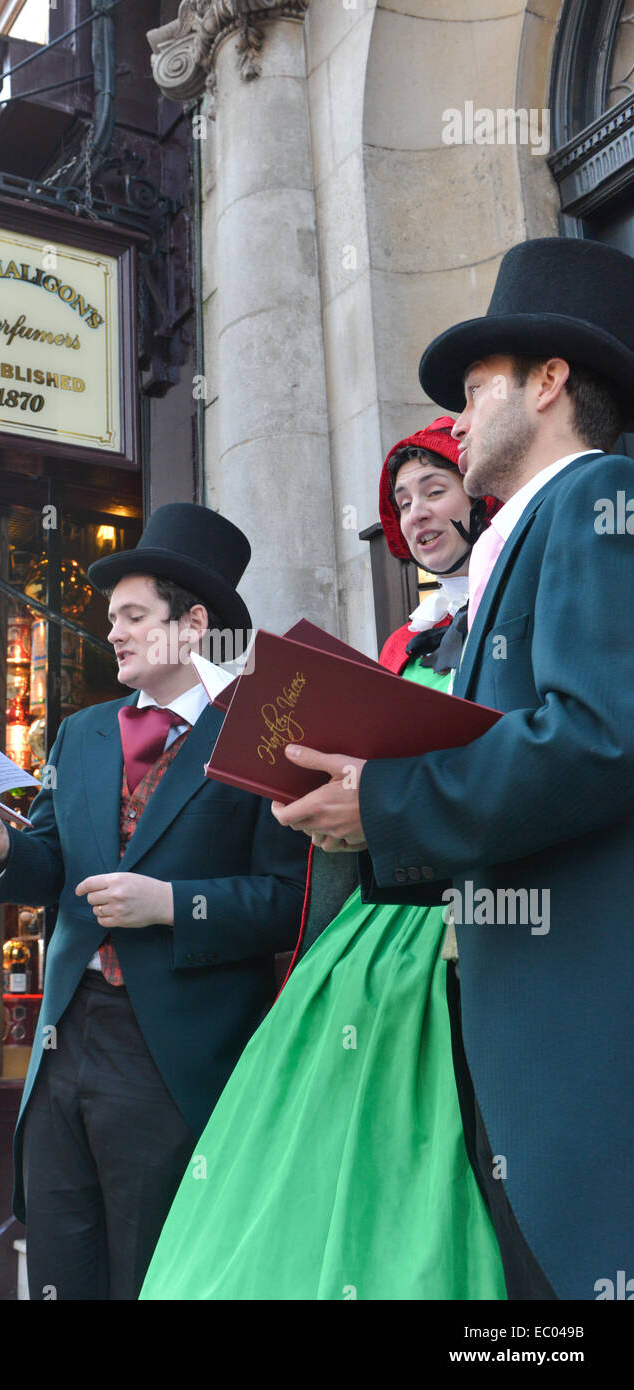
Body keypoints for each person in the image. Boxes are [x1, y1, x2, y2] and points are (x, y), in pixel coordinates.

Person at [269, 237, 634, 1301]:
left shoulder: (596, 497)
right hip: (515, 1027)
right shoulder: (527, 534)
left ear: (550, 383)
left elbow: (600, 733)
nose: (459, 419)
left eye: (475, 390)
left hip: (576, 1034)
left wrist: (385, 801)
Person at [139, 421, 507, 1300]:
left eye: (436, 490)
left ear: (478, 494)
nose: (417, 513)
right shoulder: (405, 645)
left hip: (466, 916)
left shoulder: (505, 621)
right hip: (374, 921)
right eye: (403, 501)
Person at [0, 502, 308, 1300]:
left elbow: (289, 902)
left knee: (153, 1270)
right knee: (62, 1269)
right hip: (65, 1042)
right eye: (113, 618)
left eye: (134, 616)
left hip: (176, 1054)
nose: (115, 632)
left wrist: (170, 903)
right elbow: (50, 863)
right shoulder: (82, 733)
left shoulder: (263, 731)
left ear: (192, 624)